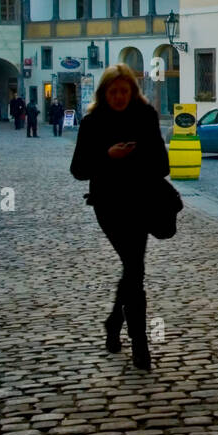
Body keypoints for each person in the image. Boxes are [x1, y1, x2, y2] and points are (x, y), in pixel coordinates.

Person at [69, 64, 170, 371]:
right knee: (134, 268)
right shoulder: (92, 122)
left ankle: (118, 324)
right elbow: (78, 169)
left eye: (124, 91)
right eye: (113, 91)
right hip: (109, 205)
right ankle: (139, 344)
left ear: (132, 91)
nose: (119, 97)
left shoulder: (145, 116)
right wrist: (107, 157)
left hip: (141, 202)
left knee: (133, 269)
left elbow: (163, 164)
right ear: (104, 93)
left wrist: (135, 157)